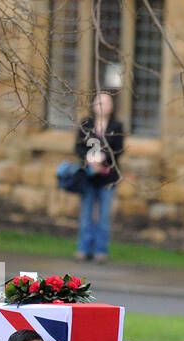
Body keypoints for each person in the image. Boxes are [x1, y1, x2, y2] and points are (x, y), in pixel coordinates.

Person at [74, 92, 125, 262]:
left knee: (103, 217)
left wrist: (103, 160)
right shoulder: (86, 124)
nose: (102, 106)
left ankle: (100, 250)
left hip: (107, 179)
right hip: (88, 177)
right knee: (86, 214)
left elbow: (118, 150)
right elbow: (78, 147)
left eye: (105, 103)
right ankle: (83, 248)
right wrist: (88, 160)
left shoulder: (116, 126)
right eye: (99, 102)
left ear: (111, 107)